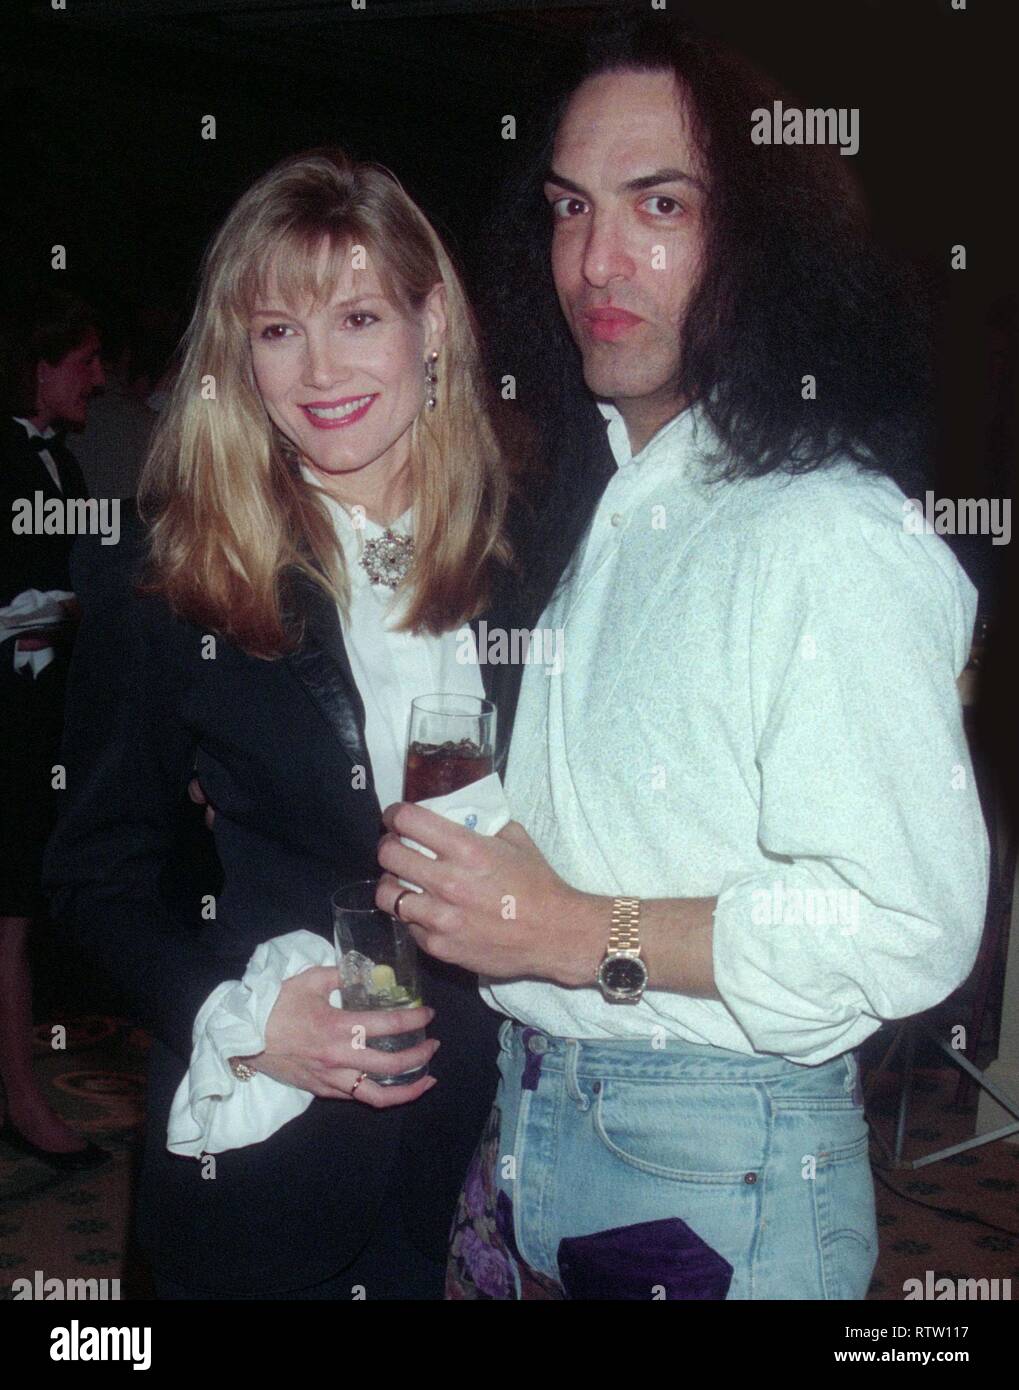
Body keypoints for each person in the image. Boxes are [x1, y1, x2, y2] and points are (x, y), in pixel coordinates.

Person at [373, 15, 990, 1300]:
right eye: (568, 207)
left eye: (660, 204)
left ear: (765, 239)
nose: (597, 258)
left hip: (716, 1163)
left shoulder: (822, 529)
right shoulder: (614, 494)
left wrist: (561, 929)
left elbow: (904, 926)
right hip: (537, 1127)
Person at [43, 147, 521, 1299]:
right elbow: (90, 879)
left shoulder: (530, 564)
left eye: (358, 316)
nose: (319, 369)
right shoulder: (167, 579)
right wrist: (240, 1018)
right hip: (272, 1164)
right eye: (275, 330)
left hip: (494, 1156)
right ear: (236, 358)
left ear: (432, 322)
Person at [0, 288, 109, 1171]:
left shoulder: (65, 471)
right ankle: (25, 1103)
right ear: (40, 368)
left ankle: (18, 1095)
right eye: (84, 362)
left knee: (18, 914)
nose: (99, 379)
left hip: (37, 718)